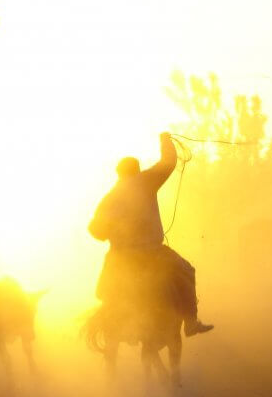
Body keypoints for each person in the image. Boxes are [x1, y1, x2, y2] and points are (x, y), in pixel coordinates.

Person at [88, 132, 213, 337]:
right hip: (151, 253)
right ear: (136, 170)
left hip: (119, 257)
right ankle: (190, 322)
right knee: (187, 270)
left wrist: (114, 231)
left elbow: (94, 230)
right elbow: (169, 161)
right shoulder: (145, 181)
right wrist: (165, 140)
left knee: (106, 294)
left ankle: (111, 331)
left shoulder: (109, 198)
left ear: (118, 174)